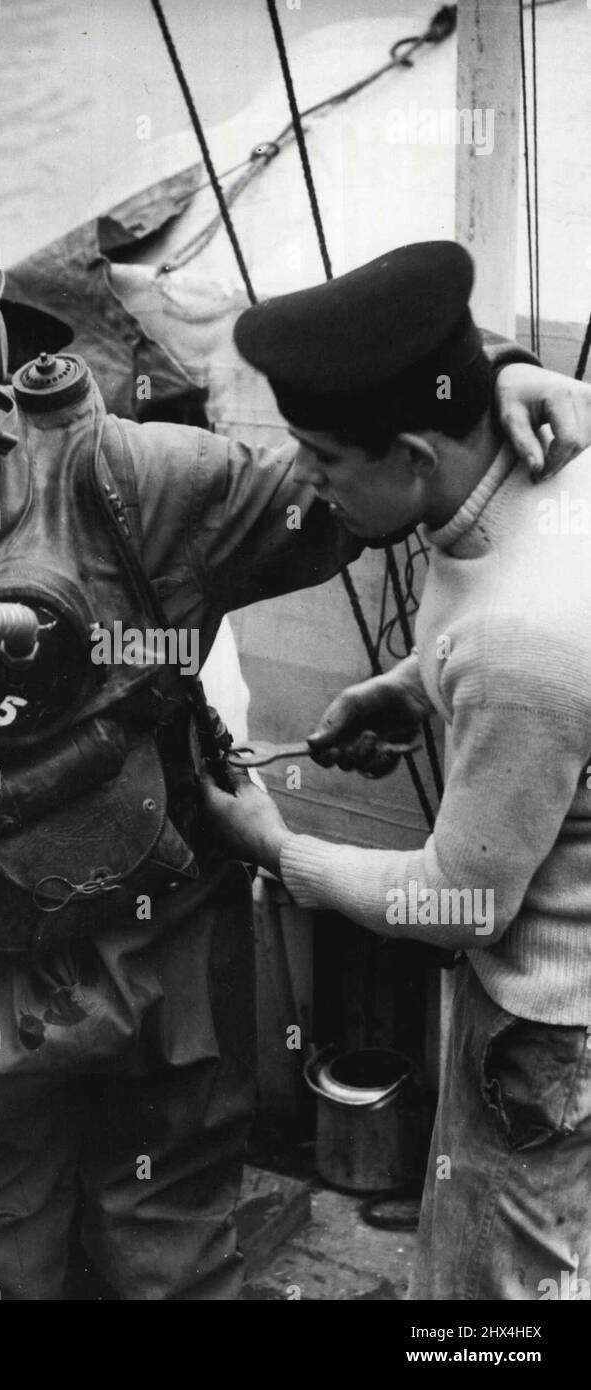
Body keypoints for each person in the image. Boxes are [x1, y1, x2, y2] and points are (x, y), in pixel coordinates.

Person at [0, 180, 591, 1301]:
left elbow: (354, 482)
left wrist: (498, 371)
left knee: (169, 1259)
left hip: (159, 974)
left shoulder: (125, 481)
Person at [204, 239, 591, 1302]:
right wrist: (413, 684)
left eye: (325, 461)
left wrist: (281, 851)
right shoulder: (546, 448)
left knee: (494, 1294)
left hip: (550, 1042)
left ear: (414, 456)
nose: (308, 483)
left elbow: (460, 900)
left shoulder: (523, 643)